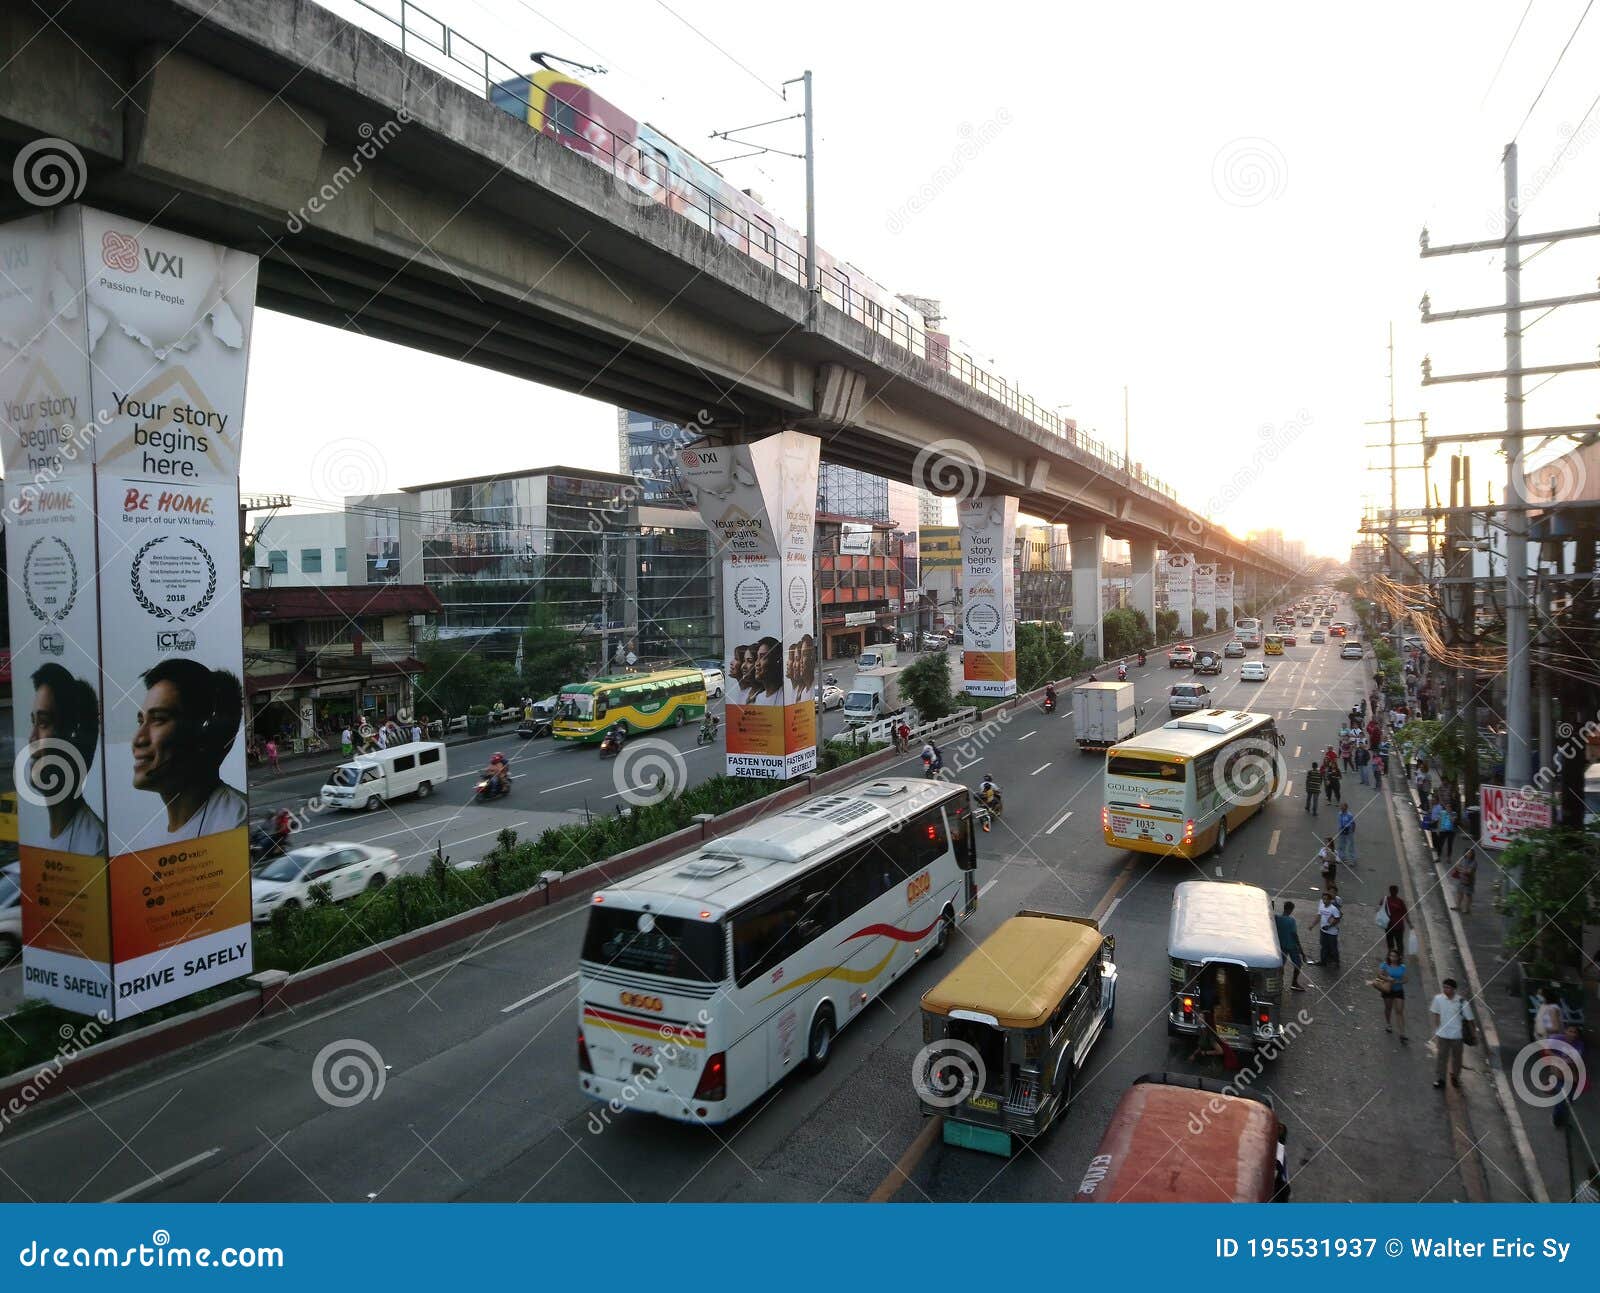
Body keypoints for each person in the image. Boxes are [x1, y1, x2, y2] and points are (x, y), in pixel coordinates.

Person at [129, 659, 249, 844]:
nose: (138, 739)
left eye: (159, 719)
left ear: (202, 731)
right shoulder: (151, 836)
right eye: (141, 721)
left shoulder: (236, 824)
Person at [27, 664, 107, 856]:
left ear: (71, 737)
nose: (32, 738)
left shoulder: (96, 845)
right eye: (33, 722)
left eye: (44, 722)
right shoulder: (37, 840)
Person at [1430, 978, 1474, 1089]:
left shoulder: (1462, 1002)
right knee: (1441, 1057)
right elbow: (1436, 1014)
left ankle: (1455, 1076)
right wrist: (1437, 1030)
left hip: (1457, 1036)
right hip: (1443, 1035)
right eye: (1444, 987)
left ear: (1454, 989)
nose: (1445, 989)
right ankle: (1441, 1079)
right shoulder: (1438, 999)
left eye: (1448, 988)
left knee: (1457, 1058)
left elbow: (1470, 1020)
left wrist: (1473, 1034)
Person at [1275, 901, 1307, 992]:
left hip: (1282, 945)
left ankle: (1279, 983)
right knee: (1298, 964)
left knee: (1281, 965)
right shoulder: (1291, 920)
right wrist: (1302, 951)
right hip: (1292, 946)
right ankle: (1294, 983)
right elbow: (1294, 935)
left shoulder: (1277, 918)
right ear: (1291, 909)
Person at [1377, 949, 1408, 1040]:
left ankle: (1402, 1033)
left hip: (1398, 990)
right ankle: (1389, 1024)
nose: (1392, 958)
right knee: (1388, 1008)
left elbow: (1406, 979)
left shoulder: (1402, 967)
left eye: (1394, 956)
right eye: (1391, 956)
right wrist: (1388, 979)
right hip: (1387, 990)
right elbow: (1379, 975)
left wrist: (1399, 982)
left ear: (1398, 957)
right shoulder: (1385, 965)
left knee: (1399, 1011)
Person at [1313, 889, 1342, 969]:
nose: (1324, 900)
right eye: (1323, 899)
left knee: (1333, 948)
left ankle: (1336, 962)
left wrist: (1329, 926)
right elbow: (1319, 916)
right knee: (1323, 947)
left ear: (1330, 900)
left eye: (1326, 899)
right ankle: (1323, 961)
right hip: (1323, 930)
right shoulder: (1321, 906)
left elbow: (1337, 919)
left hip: (1332, 933)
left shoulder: (1333, 909)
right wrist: (1312, 925)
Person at [1446, 843, 1478, 915]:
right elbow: (1456, 866)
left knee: (1468, 894)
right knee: (1459, 893)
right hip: (1461, 879)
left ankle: (1467, 909)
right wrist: (1462, 870)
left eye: (1470, 853)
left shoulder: (1474, 862)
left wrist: (1461, 869)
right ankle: (1458, 906)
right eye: (1468, 853)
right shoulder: (1463, 859)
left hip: (1469, 880)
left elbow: (1469, 872)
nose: (1469, 854)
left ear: (1473, 855)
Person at [1380, 884, 1409, 958]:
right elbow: (1405, 913)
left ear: (1390, 891)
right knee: (1399, 943)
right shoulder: (1400, 901)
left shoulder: (1385, 899)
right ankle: (1400, 957)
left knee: (1390, 943)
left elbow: (1379, 907)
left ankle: (1391, 956)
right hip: (1399, 926)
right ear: (1397, 892)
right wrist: (1410, 924)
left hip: (1389, 926)